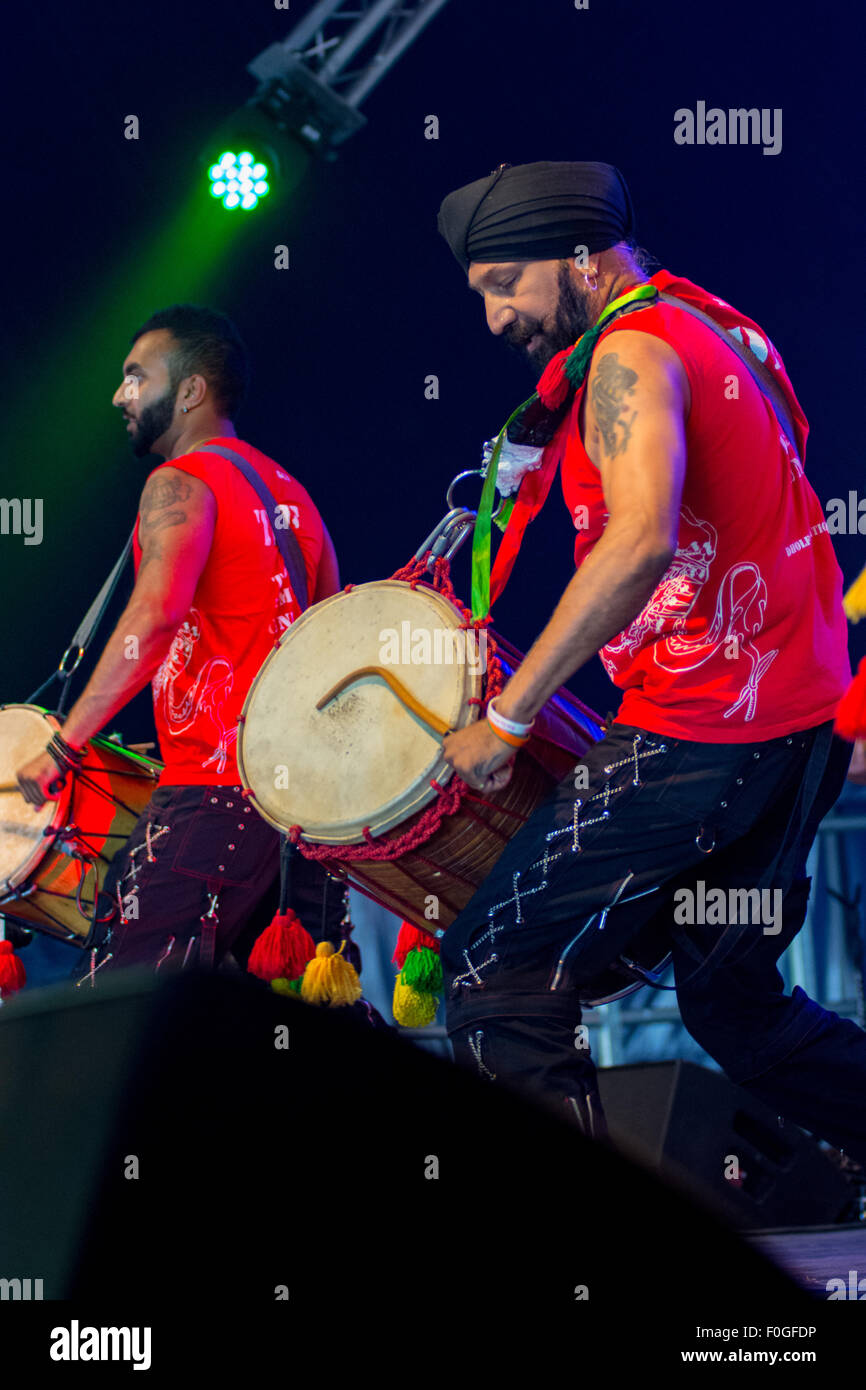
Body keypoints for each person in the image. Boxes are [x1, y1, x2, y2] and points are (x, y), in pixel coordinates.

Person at [434, 160, 866, 1160]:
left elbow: (639, 541)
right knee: (732, 1003)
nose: (494, 316)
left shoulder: (630, 349)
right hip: (790, 727)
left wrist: (507, 718)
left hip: (699, 730)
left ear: (581, 260)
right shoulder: (718, 326)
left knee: (493, 963)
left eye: (507, 283)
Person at [15, 304, 340, 980]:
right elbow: (331, 639)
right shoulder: (297, 498)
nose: (119, 395)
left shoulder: (179, 480)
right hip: (309, 813)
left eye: (136, 377)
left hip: (216, 796)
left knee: (123, 1013)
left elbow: (156, 616)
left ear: (190, 390)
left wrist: (63, 744)